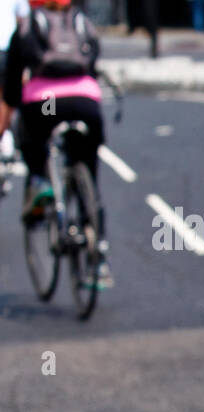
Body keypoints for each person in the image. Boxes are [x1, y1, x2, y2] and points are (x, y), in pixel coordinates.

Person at [0, 0, 110, 283]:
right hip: (87, 103)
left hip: (48, 101)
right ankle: (97, 250)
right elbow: (93, 60)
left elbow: (12, 83)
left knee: (34, 132)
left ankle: (39, 180)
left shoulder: (29, 25)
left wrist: (13, 102)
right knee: (88, 164)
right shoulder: (82, 22)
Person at [0, 0, 29, 163]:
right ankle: (5, 135)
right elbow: (23, 20)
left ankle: (5, 135)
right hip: (8, 48)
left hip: (8, 49)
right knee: (8, 96)